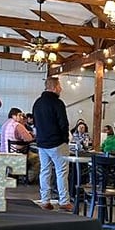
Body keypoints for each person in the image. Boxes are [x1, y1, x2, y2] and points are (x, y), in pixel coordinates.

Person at [33, 76, 73, 211]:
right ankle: (64, 201)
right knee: (61, 172)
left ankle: (45, 200)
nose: (61, 89)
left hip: (41, 143)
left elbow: (36, 123)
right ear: (55, 87)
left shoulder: (37, 103)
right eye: (60, 86)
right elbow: (63, 123)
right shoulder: (58, 103)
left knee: (45, 171)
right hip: (57, 143)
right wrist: (65, 140)